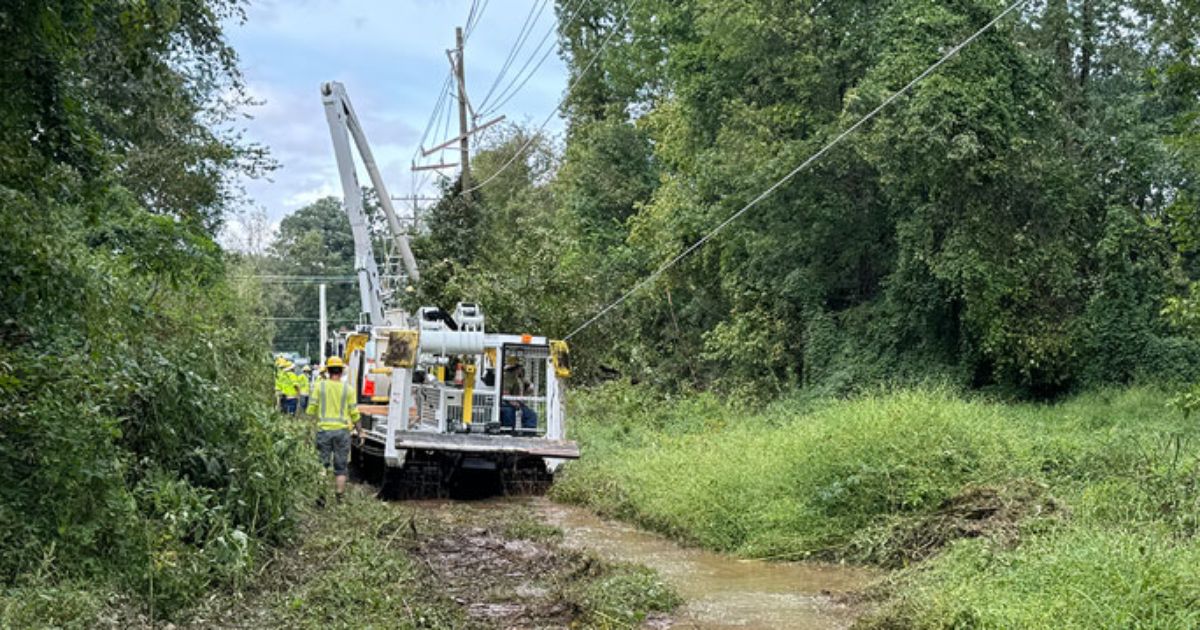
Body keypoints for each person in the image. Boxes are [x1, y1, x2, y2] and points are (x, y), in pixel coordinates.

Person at [307, 356, 360, 505]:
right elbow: (354, 413)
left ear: (328, 370)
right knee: (341, 466)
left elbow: (311, 409)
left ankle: (321, 497)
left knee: (322, 465)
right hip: (342, 432)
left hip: (323, 431)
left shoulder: (320, 386)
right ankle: (340, 498)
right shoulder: (348, 389)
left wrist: (308, 427)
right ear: (342, 371)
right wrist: (360, 431)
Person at [500, 363, 538, 433]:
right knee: (509, 413)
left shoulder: (519, 378)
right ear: (517, 368)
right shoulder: (508, 376)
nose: (522, 370)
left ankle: (529, 432)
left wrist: (528, 388)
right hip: (506, 403)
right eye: (521, 368)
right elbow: (505, 393)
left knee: (531, 415)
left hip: (517, 403)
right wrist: (514, 403)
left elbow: (526, 391)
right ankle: (508, 432)